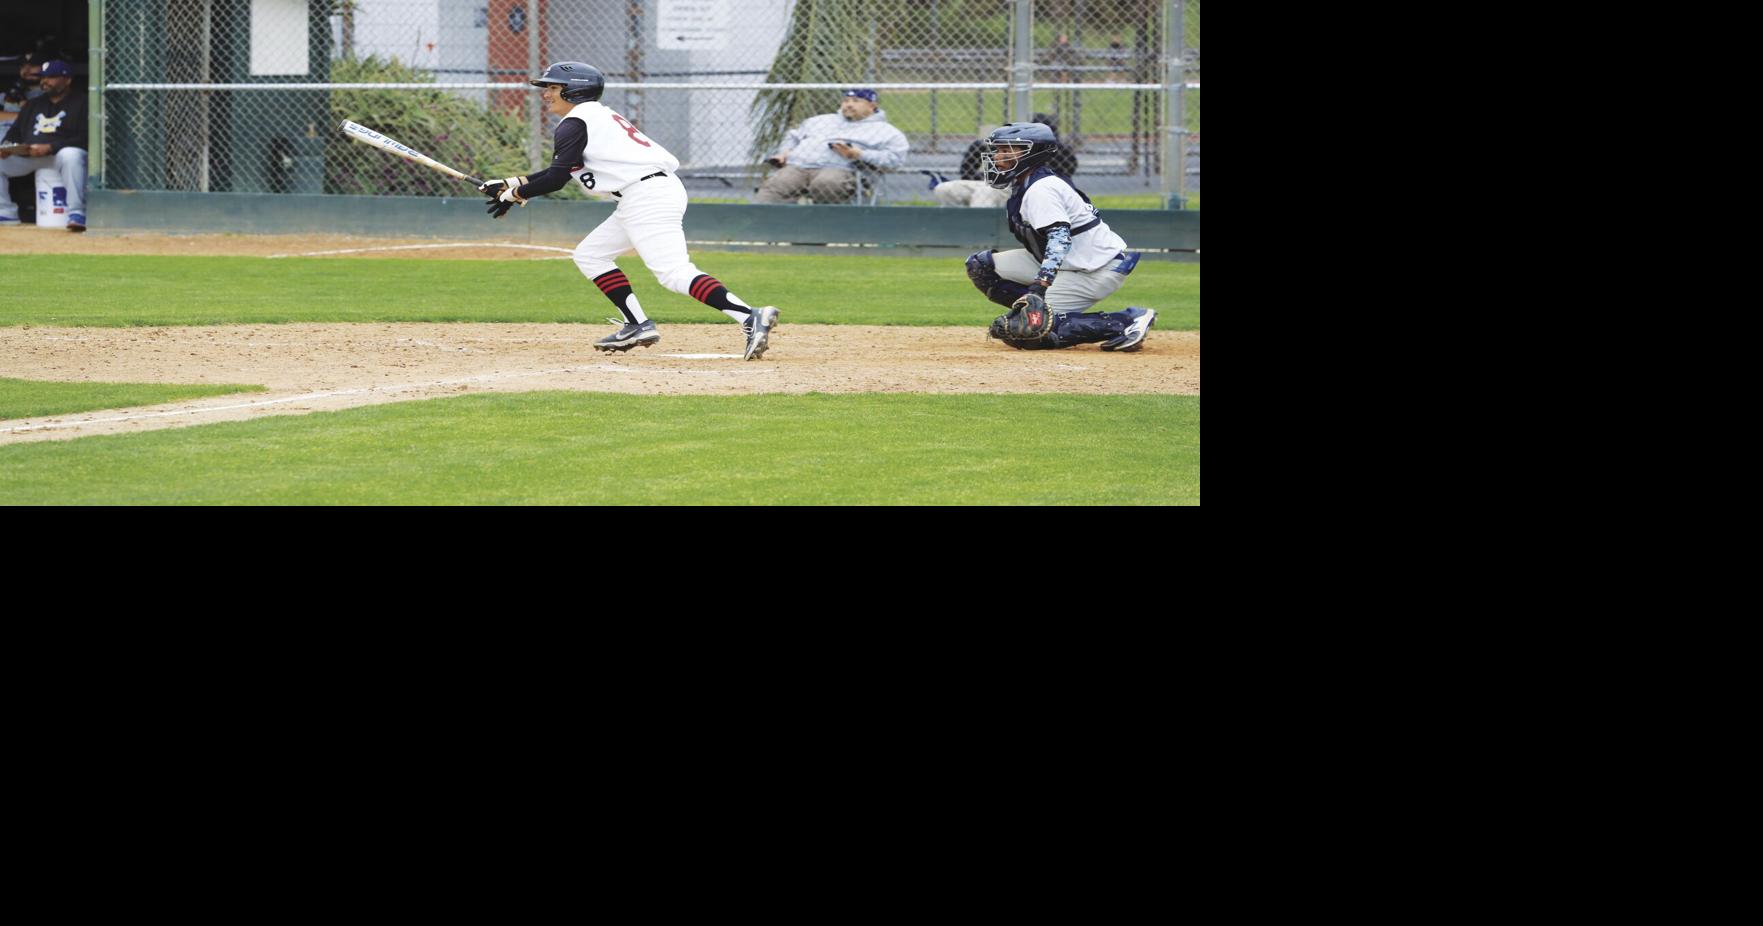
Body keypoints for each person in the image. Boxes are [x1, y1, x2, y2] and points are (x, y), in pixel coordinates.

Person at [480, 61, 780, 360]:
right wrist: (511, 184)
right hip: (644, 193)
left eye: (554, 88)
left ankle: (749, 316)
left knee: (674, 273)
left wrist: (513, 194)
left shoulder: (574, 123)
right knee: (591, 255)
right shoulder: (592, 116)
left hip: (646, 195)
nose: (546, 94)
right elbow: (560, 169)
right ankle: (637, 323)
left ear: (575, 90)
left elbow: (556, 179)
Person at [965, 123, 1155, 352]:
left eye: (1008, 150)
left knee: (1031, 334)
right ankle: (1032, 313)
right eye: (998, 149)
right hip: (1066, 263)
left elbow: (1060, 238)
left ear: (1033, 153)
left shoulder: (1041, 189)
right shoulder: (1026, 183)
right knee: (982, 267)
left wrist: (1039, 286)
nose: (998, 156)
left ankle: (1125, 321)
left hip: (1092, 270)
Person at [754, 88, 909, 204]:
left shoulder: (886, 131)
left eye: (856, 101)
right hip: (798, 166)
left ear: (872, 106)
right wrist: (784, 153)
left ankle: (818, 234)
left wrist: (859, 154)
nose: (849, 105)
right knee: (775, 185)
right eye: (846, 101)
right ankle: (757, 231)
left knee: (826, 184)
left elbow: (895, 159)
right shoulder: (820, 120)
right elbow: (794, 136)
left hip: (842, 169)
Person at [1, 59, 86, 232]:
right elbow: (13, 133)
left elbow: (86, 137)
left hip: (61, 155)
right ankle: (5, 212)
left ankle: (76, 213)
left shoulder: (83, 102)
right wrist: (7, 148)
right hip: (31, 155)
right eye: (43, 77)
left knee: (72, 155)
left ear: (67, 79)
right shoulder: (33, 105)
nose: (45, 81)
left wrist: (51, 147)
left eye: (51, 77)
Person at [928, 112, 1077, 208]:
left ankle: (979, 234)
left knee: (986, 191)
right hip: (996, 186)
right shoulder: (1002, 147)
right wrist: (985, 175)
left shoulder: (1056, 151)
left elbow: (1068, 171)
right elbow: (967, 172)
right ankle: (956, 230)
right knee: (944, 189)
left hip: (1017, 190)